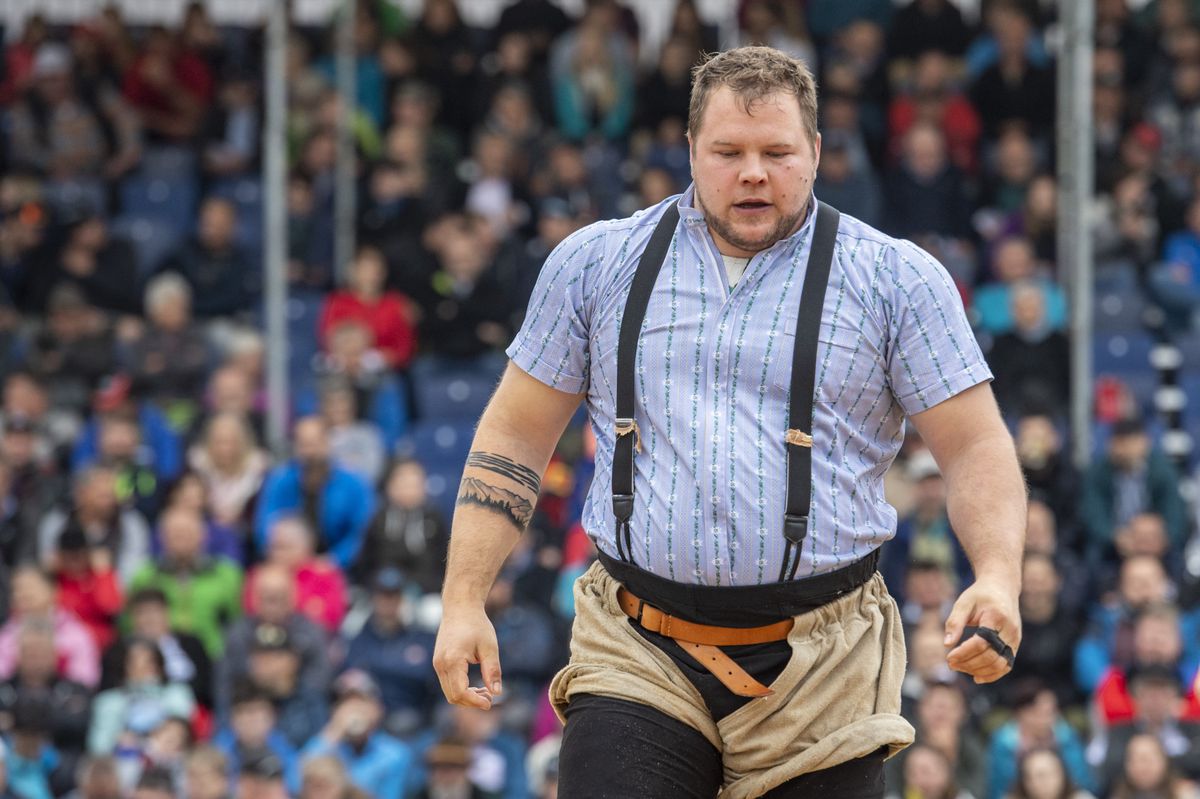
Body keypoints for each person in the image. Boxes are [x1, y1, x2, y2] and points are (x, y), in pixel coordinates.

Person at [434, 46, 1025, 798]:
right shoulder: (594, 264)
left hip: (825, 661)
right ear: (689, 152)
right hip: (638, 644)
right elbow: (515, 436)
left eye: (777, 152)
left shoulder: (897, 280)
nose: (753, 171)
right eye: (728, 152)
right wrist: (462, 601)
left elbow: (975, 446)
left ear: (815, 152)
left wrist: (999, 577)